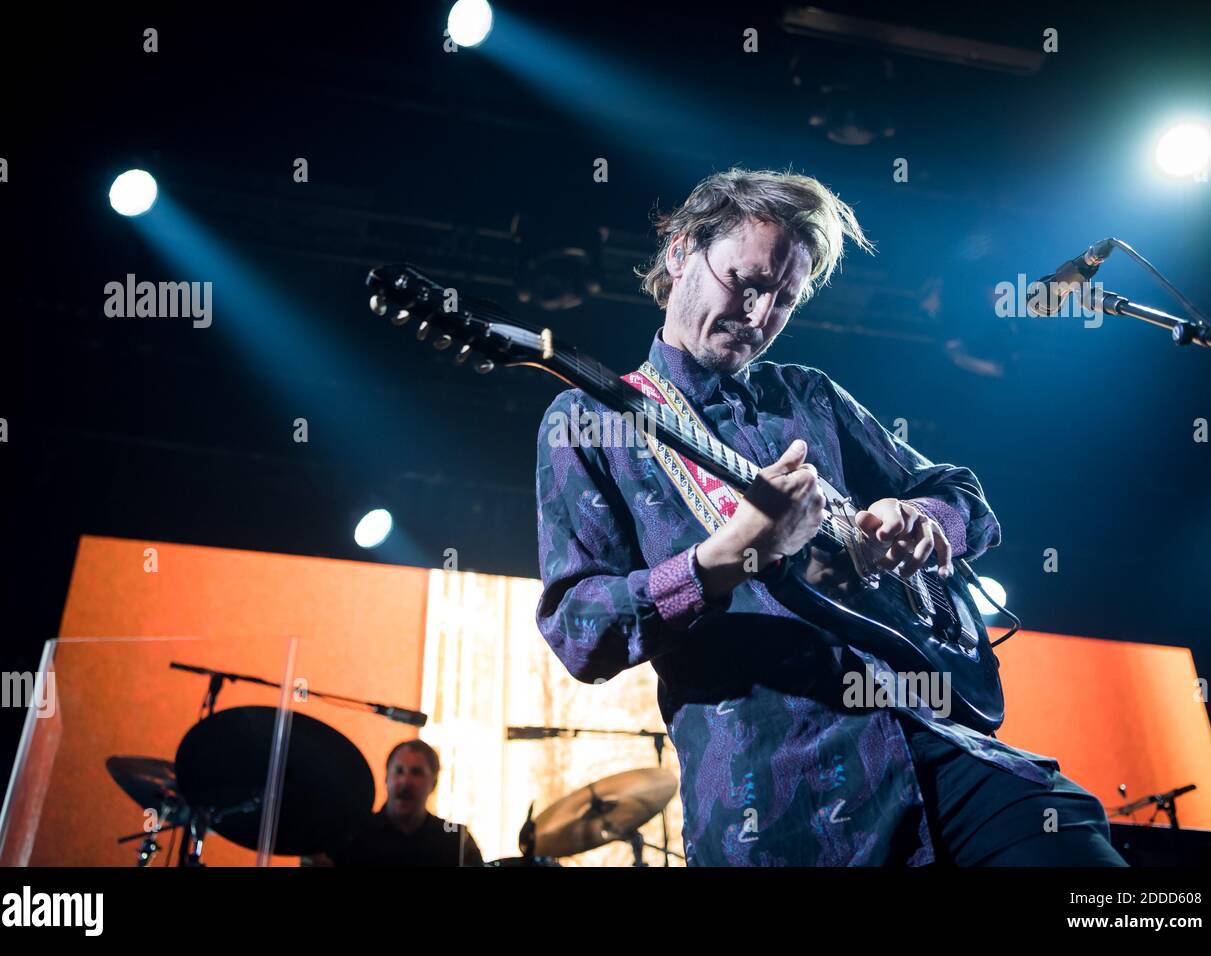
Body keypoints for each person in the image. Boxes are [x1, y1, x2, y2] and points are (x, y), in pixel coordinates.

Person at [533, 168, 1125, 866]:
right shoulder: (588, 420)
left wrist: (918, 515)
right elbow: (579, 629)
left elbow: (962, 492)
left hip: (939, 747)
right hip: (778, 800)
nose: (758, 316)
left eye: (783, 299)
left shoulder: (806, 395)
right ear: (680, 251)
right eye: (746, 282)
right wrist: (725, 558)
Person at [314, 740, 482, 867]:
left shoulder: (456, 841)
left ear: (433, 783)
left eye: (416, 772)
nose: (405, 781)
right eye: (398, 771)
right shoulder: (352, 835)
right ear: (386, 779)